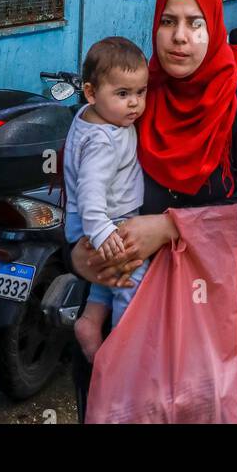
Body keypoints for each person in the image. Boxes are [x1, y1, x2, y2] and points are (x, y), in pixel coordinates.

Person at [71, 0, 237, 399]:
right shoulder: (132, 99)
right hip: (121, 308)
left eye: (194, 23)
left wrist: (168, 228)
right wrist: (76, 254)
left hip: (204, 315)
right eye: (168, 21)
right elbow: (81, 186)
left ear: (213, 29)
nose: (179, 36)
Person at [63, 36, 150, 361]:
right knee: (130, 276)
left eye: (141, 92)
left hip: (94, 219)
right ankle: (123, 351)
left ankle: (90, 321)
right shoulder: (103, 141)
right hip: (105, 219)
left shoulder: (92, 116)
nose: (134, 104)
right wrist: (101, 230)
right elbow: (90, 189)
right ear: (90, 92)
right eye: (123, 94)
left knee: (105, 278)